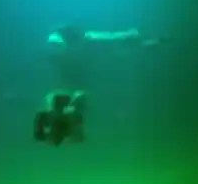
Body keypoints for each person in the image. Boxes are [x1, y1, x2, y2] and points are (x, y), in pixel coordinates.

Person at [33, 23, 162, 145]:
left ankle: (72, 133)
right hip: (73, 84)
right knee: (56, 101)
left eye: (58, 47)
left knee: (77, 99)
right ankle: (64, 132)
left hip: (88, 81)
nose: (57, 51)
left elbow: (114, 37)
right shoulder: (57, 51)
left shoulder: (90, 40)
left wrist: (133, 36)